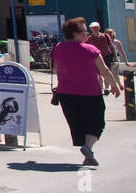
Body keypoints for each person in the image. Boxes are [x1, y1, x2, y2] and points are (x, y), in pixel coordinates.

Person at [52, 17, 122, 167]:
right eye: (84, 31)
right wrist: (114, 86)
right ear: (76, 33)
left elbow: (55, 69)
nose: (87, 34)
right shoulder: (90, 49)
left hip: (66, 93)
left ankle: (87, 153)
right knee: (96, 122)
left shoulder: (58, 48)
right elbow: (104, 70)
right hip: (89, 93)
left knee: (78, 124)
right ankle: (88, 147)